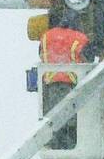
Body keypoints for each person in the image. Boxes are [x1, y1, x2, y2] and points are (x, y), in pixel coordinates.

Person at [39, 11, 91, 150]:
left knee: (53, 117)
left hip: (50, 83)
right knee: (70, 118)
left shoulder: (46, 36)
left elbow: (41, 55)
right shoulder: (80, 38)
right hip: (70, 84)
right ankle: (68, 143)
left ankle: (55, 141)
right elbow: (87, 59)